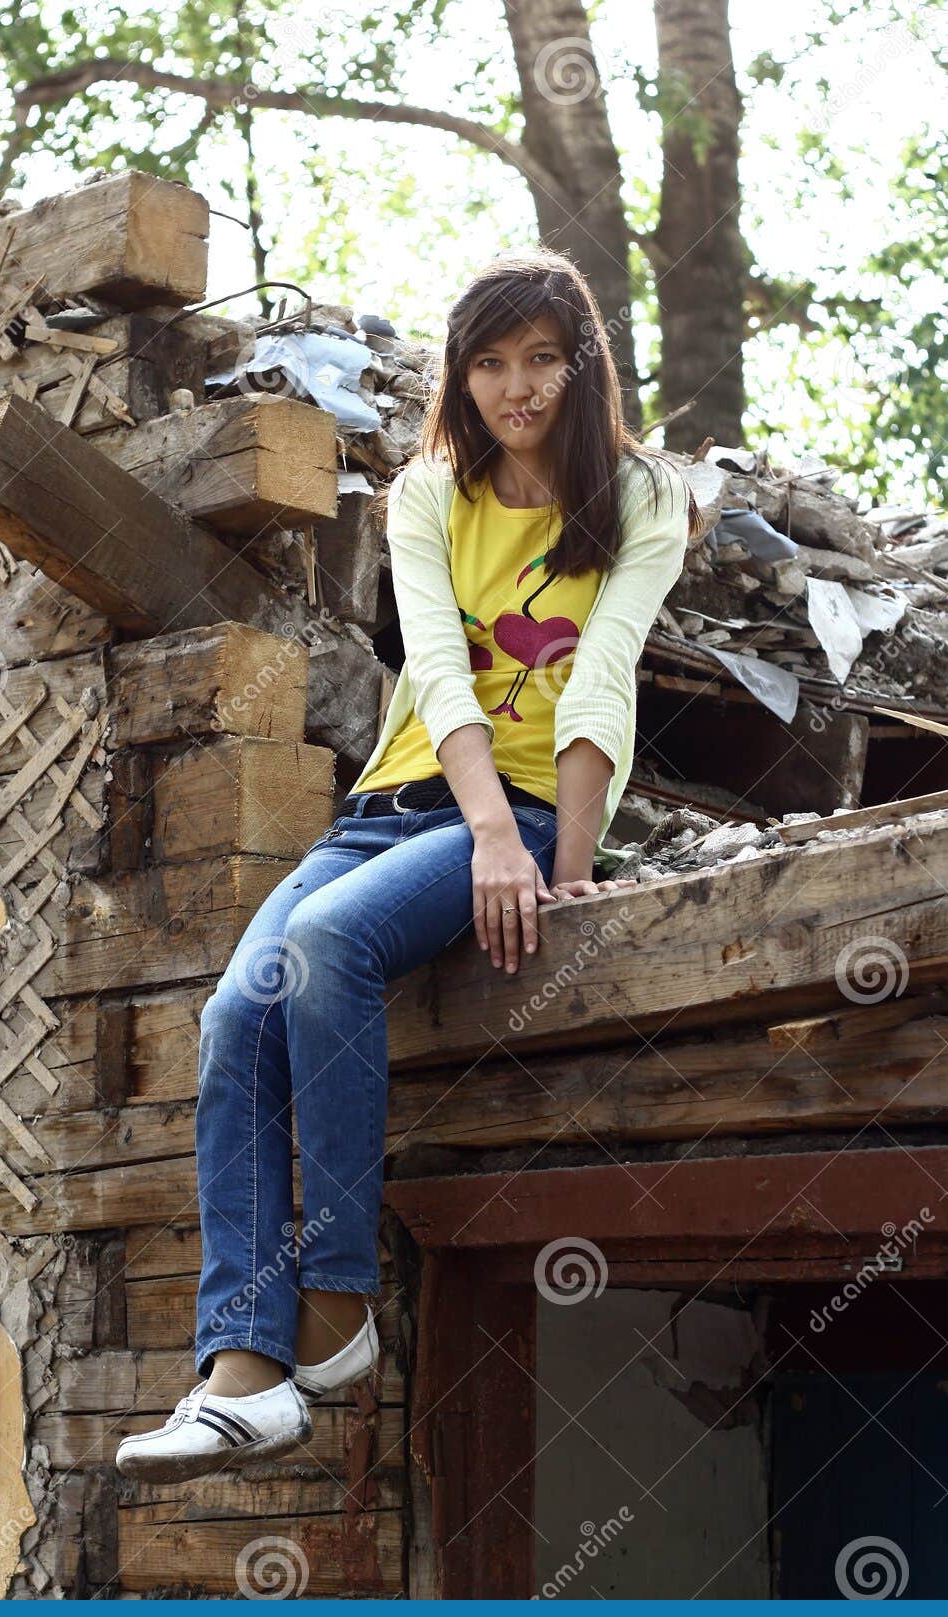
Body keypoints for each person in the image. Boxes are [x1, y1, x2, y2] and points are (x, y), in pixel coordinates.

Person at [116, 247, 701, 1481]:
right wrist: (477, 828)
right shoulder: (427, 491)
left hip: (537, 808)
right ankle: (244, 1371)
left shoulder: (644, 496)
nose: (517, 386)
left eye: (543, 357)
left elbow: (604, 676)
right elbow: (433, 662)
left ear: (582, 362)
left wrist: (561, 854)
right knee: (233, 1016)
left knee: (329, 947)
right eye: (490, 362)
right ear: (462, 373)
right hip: (400, 805)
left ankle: (334, 1296)